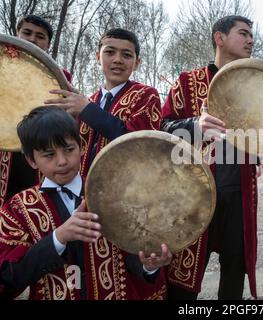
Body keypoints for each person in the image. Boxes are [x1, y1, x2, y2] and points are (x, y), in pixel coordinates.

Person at [0, 107, 172, 300]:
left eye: (69, 149)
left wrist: (149, 266)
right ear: (31, 160)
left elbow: (132, 254)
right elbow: (10, 276)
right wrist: (58, 238)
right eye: (49, 155)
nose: (63, 161)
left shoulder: (113, 193)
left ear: (81, 147)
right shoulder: (18, 209)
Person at [161, 15, 260, 300]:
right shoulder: (187, 82)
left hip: (239, 190)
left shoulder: (255, 85)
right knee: (183, 271)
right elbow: (162, 129)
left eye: (250, 35)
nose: (250, 40)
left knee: (234, 268)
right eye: (243, 33)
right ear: (220, 38)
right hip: (192, 192)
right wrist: (195, 126)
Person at [43, 28, 161, 177]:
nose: (118, 60)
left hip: (126, 189)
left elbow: (141, 143)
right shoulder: (88, 101)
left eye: (127, 55)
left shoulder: (147, 95)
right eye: (110, 52)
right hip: (82, 189)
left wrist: (87, 110)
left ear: (137, 63)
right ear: (98, 57)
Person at [0, 15, 72, 208]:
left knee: (32, 205)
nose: (32, 39)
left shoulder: (60, 77)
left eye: (40, 36)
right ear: (17, 34)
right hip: (3, 149)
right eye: (27, 32)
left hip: (39, 148)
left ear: (48, 44)